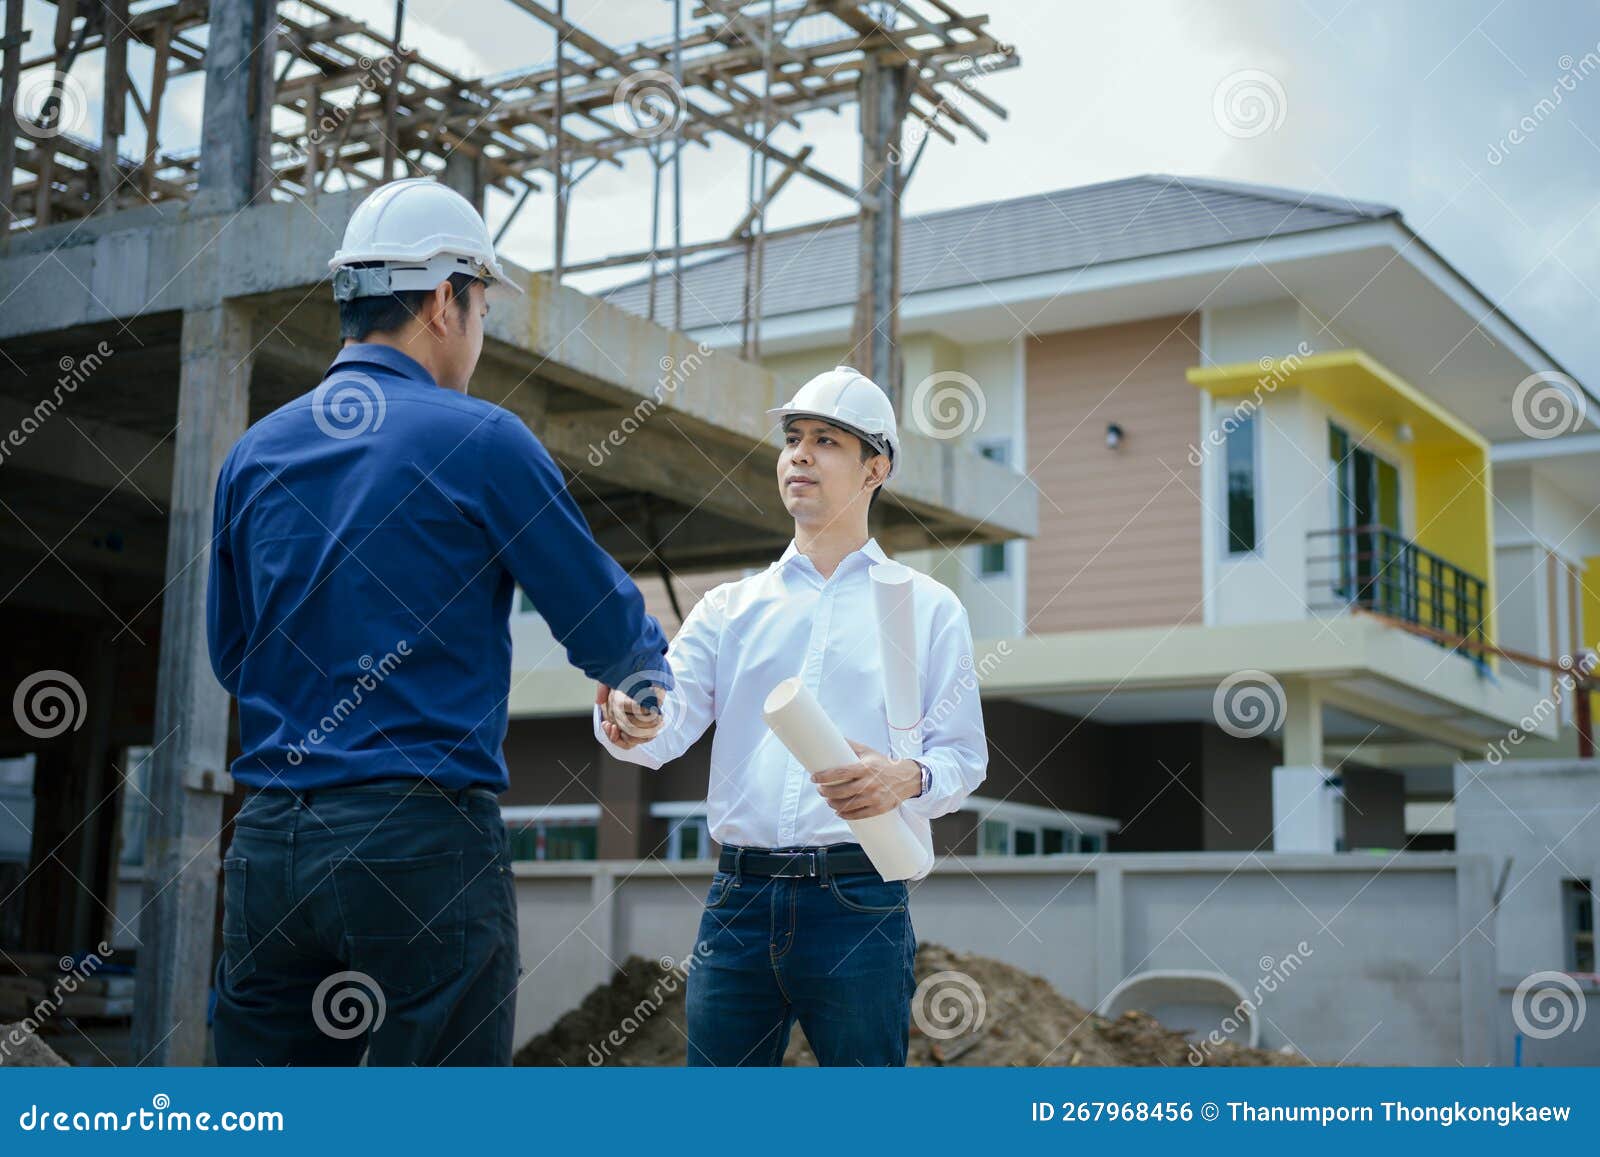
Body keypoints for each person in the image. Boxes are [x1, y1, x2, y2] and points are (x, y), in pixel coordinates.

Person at [207, 177, 671, 1066]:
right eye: (482, 304)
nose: (480, 331)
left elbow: (235, 654)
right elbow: (600, 620)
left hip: (269, 845)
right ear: (441, 300)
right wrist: (648, 676)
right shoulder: (482, 440)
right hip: (420, 843)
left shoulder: (252, 456)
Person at [595, 366, 987, 1066]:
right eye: (793, 437)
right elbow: (664, 721)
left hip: (859, 899)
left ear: (878, 466)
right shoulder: (730, 608)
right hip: (739, 897)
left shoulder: (928, 608)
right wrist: (636, 716)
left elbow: (963, 757)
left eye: (827, 440)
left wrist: (906, 777)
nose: (800, 454)